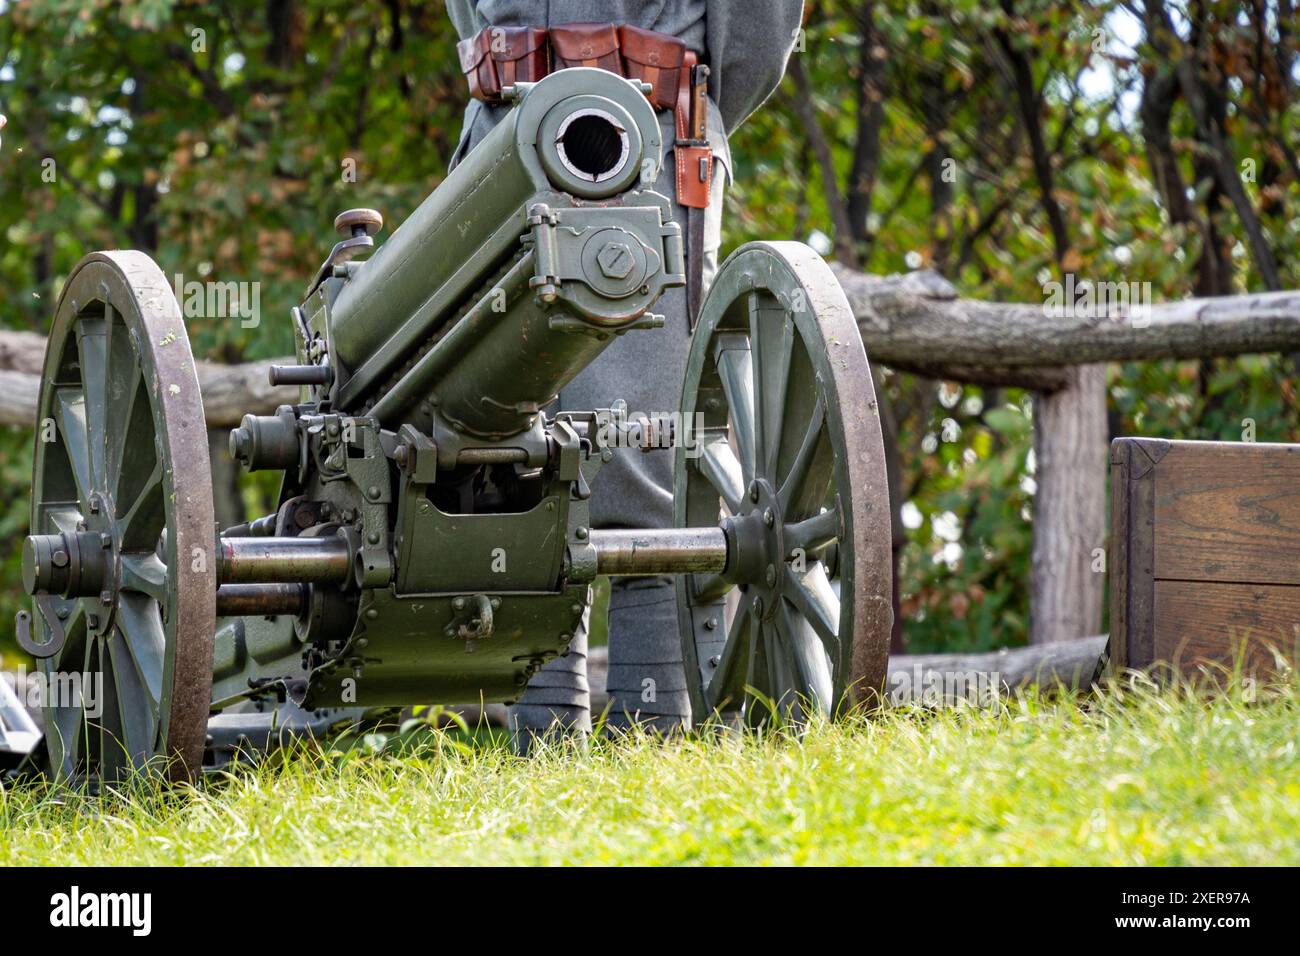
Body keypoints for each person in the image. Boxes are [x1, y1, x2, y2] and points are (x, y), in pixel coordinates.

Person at [446, 1, 805, 748]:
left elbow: (758, 40)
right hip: (502, 139)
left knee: (652, 470)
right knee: (512, 451)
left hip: (649, 143)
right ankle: (543, 751)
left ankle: (657, 744)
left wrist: (681, 103)